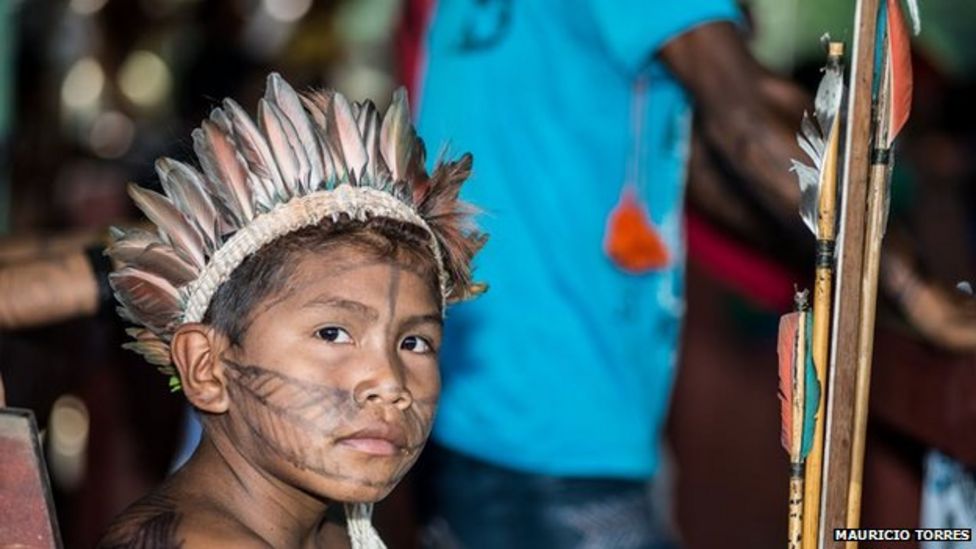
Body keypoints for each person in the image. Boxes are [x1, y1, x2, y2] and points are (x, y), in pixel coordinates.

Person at [412, 2, 976, 548]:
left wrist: (861, 273)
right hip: (552, 430)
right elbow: (747, 122)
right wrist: (915, 292)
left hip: (476, 415)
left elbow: (703, 162)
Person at [96, 73, 485, 548]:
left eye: (414, 343)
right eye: (332, 334)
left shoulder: (336, 528)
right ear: (208, 366)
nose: (390, 383)